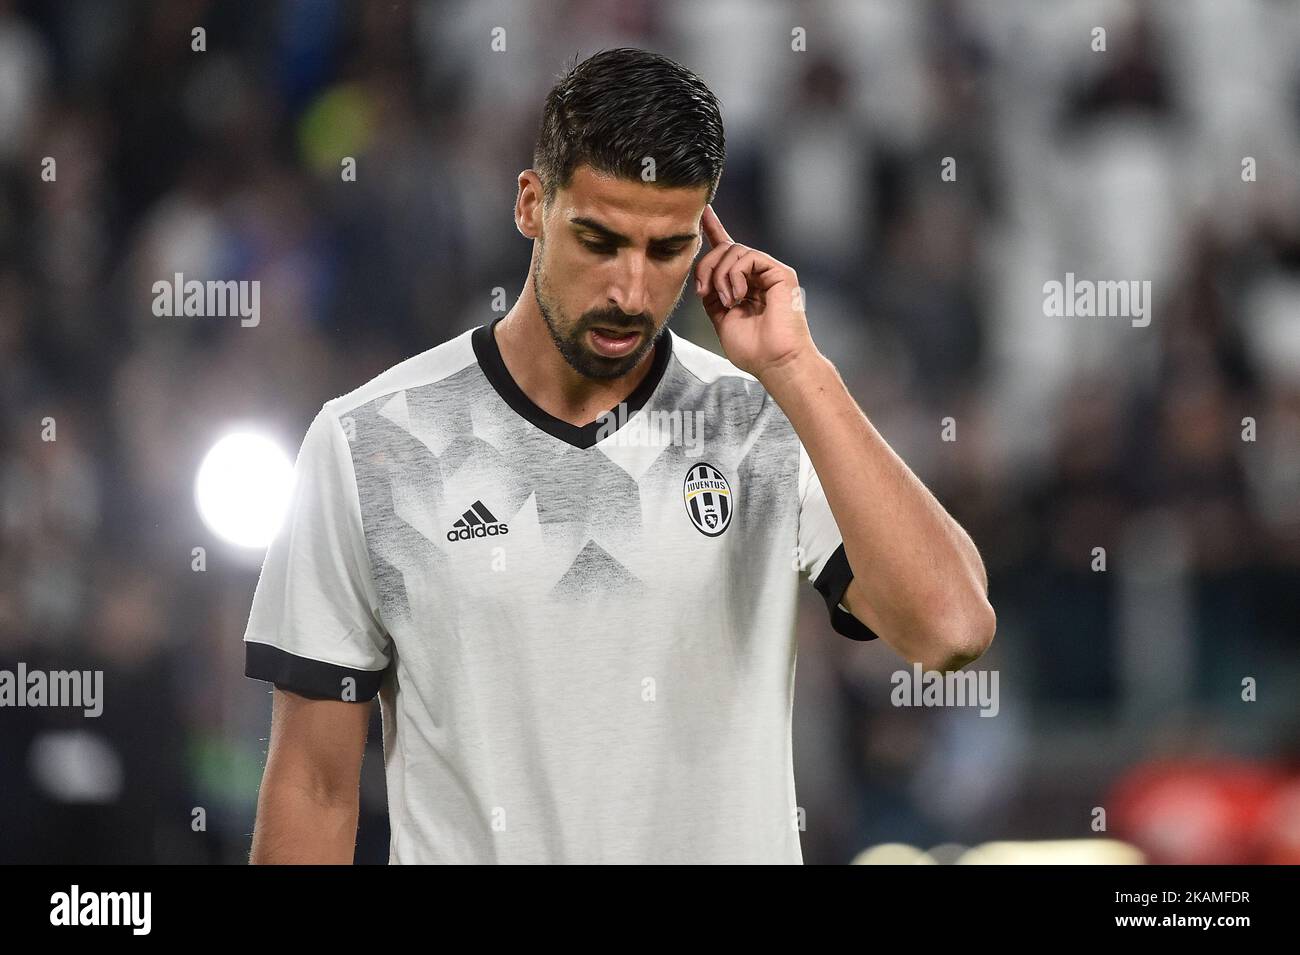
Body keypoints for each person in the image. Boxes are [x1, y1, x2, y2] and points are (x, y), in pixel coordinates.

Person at [243, 47, 995, 864]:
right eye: (599, 240)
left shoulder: (759, 423)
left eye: (667, 249)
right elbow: (314, 786)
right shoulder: (372, 441)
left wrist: (798, 372)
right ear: (532, 204)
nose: (630, 291)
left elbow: (949, 628)